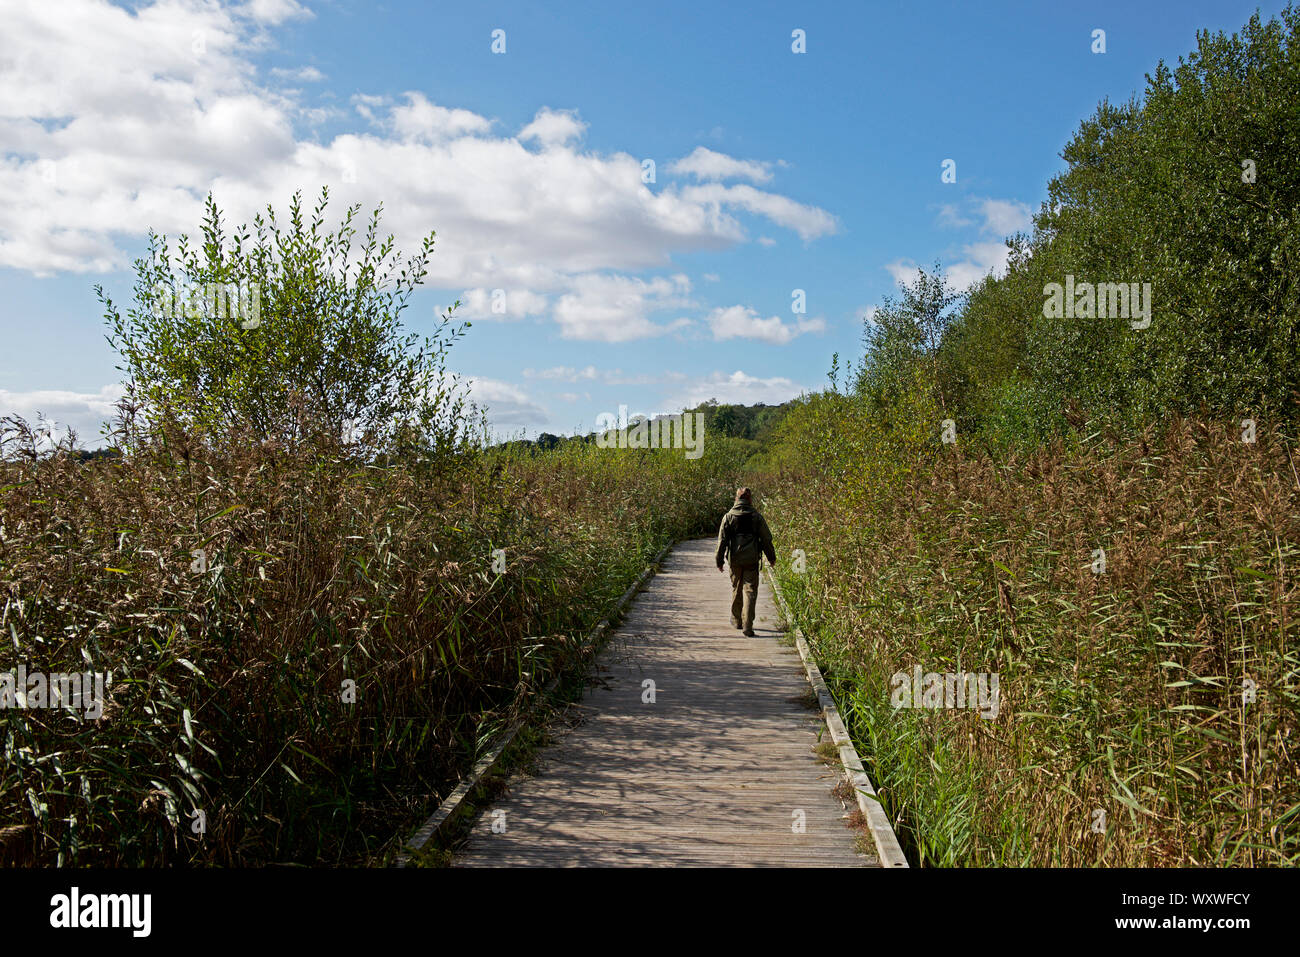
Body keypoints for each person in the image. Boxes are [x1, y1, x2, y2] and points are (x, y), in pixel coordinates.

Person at [715, 487, 776, 636]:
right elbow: (766, 539)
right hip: (751, 559)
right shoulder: (757, 517)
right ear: (749, 499)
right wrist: (771, 557)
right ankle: (748, 625)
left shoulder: (729, 517)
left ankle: (736, 621)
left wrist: (719, 560)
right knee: (750, 591)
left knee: (736, 589)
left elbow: (722, 540)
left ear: (736, 499)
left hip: (735, 559)